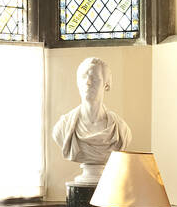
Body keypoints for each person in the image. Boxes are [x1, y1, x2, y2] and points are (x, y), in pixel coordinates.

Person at [52, 55, 131, 185]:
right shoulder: (62, 128)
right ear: (78, 83)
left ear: (106, 84)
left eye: (95, 78)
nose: (88, 82)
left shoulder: (121, 130)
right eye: (84, 77)